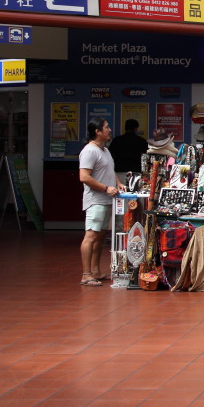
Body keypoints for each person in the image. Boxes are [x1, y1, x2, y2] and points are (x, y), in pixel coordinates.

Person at [78, 117, 122, 286]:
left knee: (100, 236)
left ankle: (95, 270)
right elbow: (84, 177)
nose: (109, 129)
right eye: (106, 127)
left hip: (106, 200)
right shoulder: (90, 151)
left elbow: (110, 170)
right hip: (96, 200)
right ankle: (86, 274)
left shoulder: (104, 150)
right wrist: (105, 188)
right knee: (91, 235)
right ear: (97, 132)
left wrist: (118, 183)